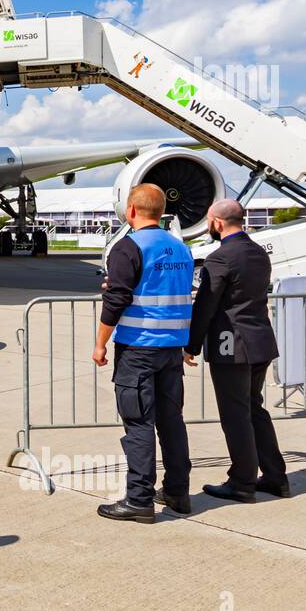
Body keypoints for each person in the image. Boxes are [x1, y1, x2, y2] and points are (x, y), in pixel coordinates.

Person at [92, 183, 195, 522]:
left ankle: (139, 500)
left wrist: (100, 342)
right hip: (172, 349)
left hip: (138, 348)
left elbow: (117, 298)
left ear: (132, 211)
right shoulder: (180, 248)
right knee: (171, 422)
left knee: (138, 424)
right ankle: (178, 492)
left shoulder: (129, 247)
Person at [185, 199, 286, 502]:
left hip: (232, 345)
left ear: (216, 222)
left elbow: (206, 305)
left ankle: (242, 482)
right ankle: (275, 477)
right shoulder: (259, 253)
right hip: (260, 341)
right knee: (255, 409)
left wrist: (191, 344)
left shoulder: (220, 258)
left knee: (236, 414)